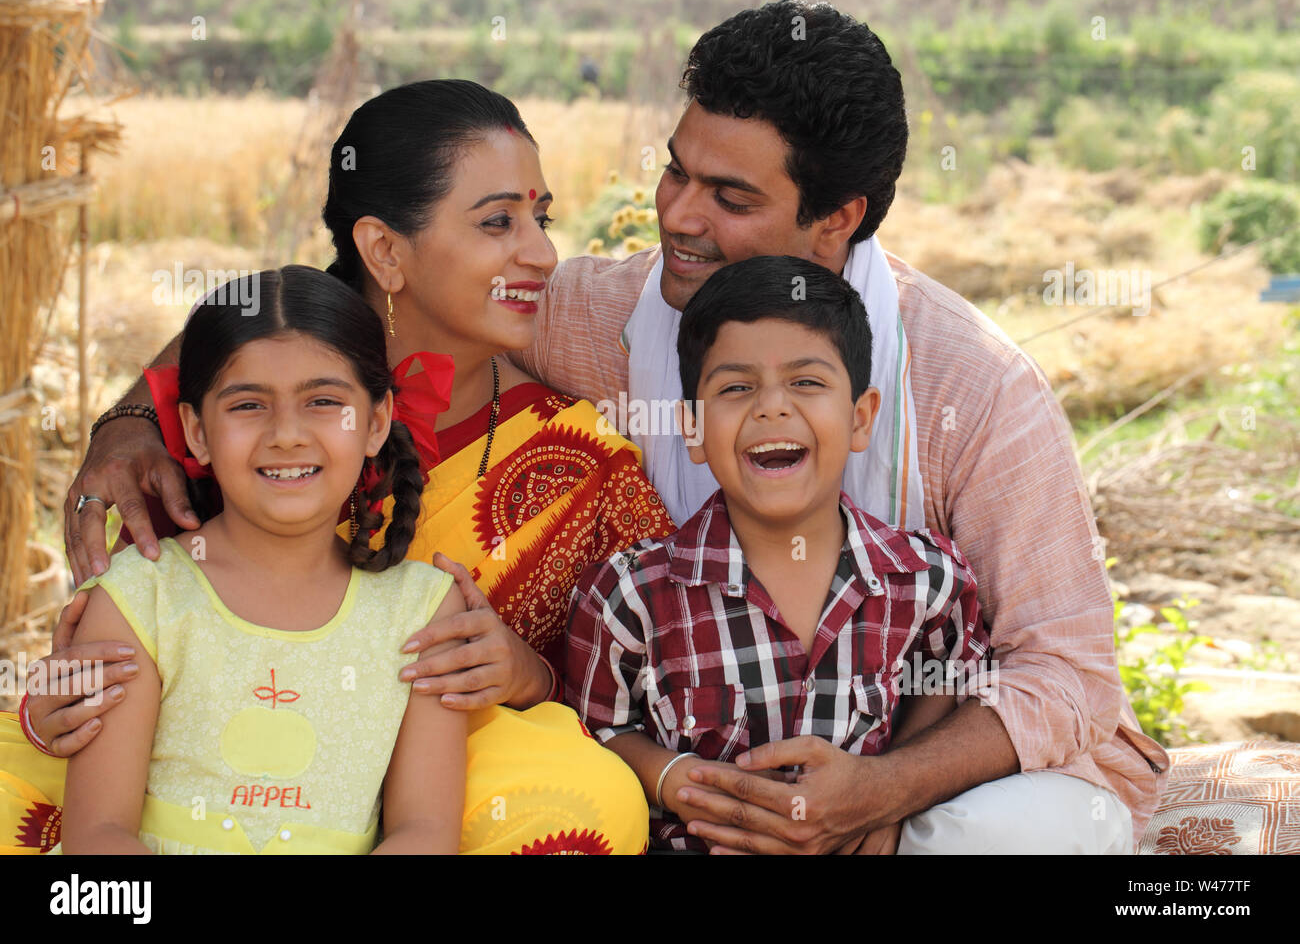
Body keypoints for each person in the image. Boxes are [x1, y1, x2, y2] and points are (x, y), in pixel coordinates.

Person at [531, 0, 1169, 853]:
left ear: (838, 217)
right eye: (677, 172)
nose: (679, 216)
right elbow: (415, 314)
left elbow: (1069, 671)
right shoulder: (590, 318)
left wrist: (884, 794)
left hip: (912, 799)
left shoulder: (972, 385)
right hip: (685, 797)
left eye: (731, 196)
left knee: (1044, 832)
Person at [9, 80, 669, 855]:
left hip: (451, 776)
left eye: (541, 218)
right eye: (498, 222)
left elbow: (651, 690)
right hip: (190, 771)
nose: (542, 252)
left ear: (379, 422)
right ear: (384, 249)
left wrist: (529, 676)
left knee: (580, 805)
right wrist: (61, 695)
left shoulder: (581, 461)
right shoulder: (228, 407)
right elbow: (145, 631)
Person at [567, 256, 992, 853]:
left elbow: (951, 682)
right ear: (691, 428)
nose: (771, 407)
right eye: (736, 387)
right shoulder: (629, 595)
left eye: (807, 382)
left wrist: (891, 790)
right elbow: (595, 732)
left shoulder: (926, 581)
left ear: (860, 418)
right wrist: (666, 776)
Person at [60, 265, 467, 853]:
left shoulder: (422, 611)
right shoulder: (140, 597)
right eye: (248, 405)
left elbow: (423, 832)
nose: (286, 434)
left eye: (323, 401)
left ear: (376, 422)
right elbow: (98, 836)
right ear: (196, 431)